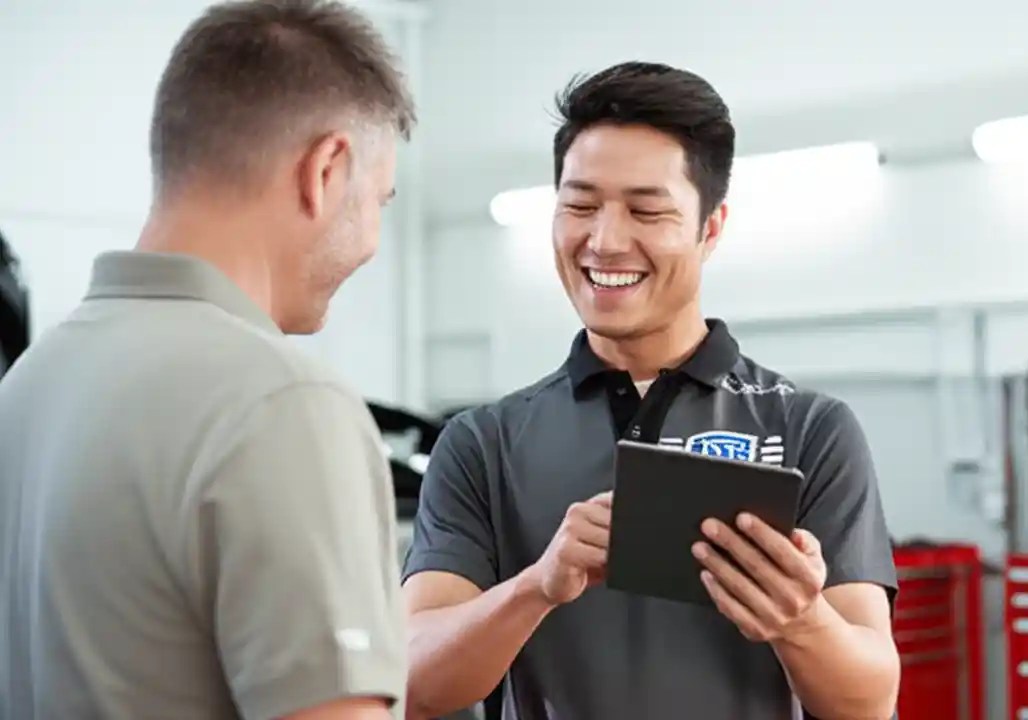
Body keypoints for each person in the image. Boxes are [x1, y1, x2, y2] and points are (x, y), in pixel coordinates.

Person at [403, 61, 900, 720]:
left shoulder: (808, 429)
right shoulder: (484, 443)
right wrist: (537, 587)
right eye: (579, 205)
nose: (605, 241)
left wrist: (801, 621)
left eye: (647, 211)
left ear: (710, 228)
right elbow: (411, 679)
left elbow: (870, 701)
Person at [0, 2, 416, 718]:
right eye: (378, 201)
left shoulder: (29, 384)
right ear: (326, 170)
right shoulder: (283, 403)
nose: (371, 239)